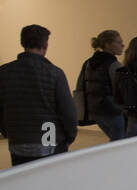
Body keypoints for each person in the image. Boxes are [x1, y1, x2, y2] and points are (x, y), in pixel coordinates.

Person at [0, 24, 78, 165]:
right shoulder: (55, 73)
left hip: (18, 141)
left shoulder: (4, 72)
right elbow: (68, 112)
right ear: (45, 44)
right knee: (51, 180)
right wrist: (69, 137)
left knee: (24, 180)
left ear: (22, 42)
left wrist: (7, 131)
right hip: (50, 139)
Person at [74, 29, 126, 140]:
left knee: (115, 140)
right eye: (118, 42)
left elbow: (80, 87)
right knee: (120, 143)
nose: (122, 45)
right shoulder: (114, 65)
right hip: (113, 111)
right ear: (107, 45)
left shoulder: (88, 63)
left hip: (96, 111)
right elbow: (123, 91)